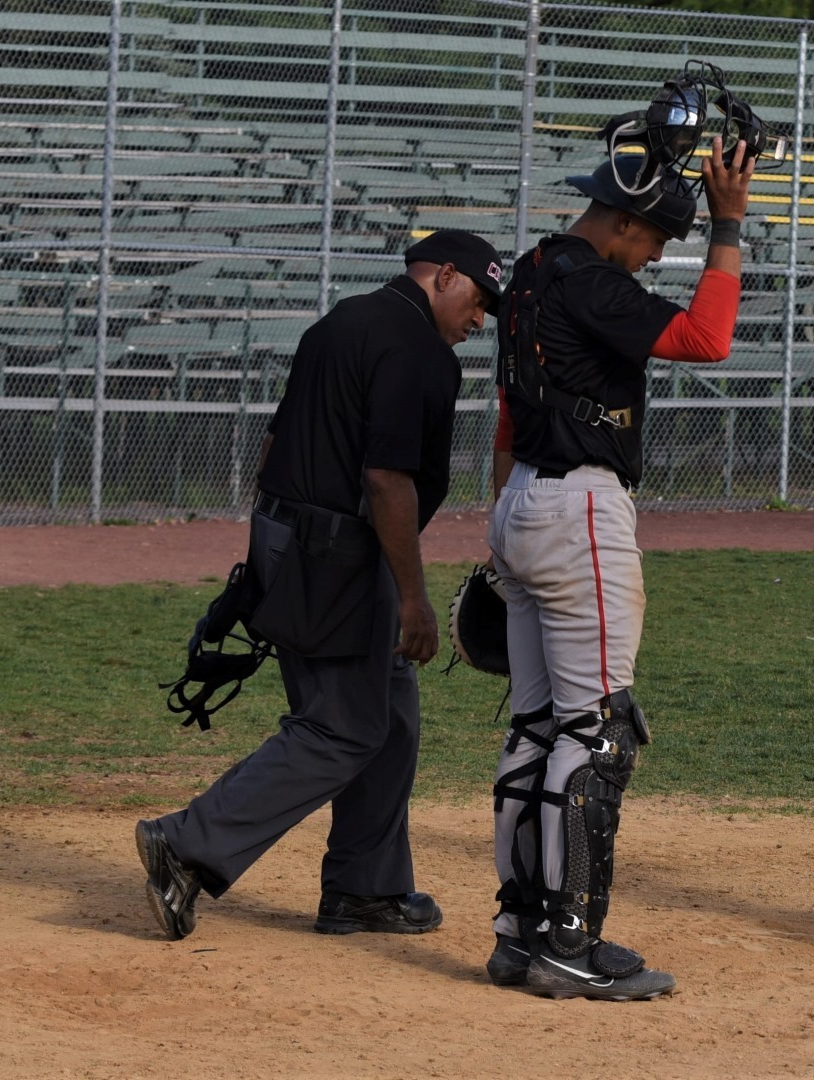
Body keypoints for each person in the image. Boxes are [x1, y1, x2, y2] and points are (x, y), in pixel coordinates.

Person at [135, 229, 503, 941]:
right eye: (479, 300)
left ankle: (367, 888)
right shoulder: (418, 349)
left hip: (291, 540)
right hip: (342, 556)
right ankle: (187, 842)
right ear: (445, 277)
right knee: (341, 726)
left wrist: (269, 559)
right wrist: (413, 598)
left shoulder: (339, 322)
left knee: (389, 716)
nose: (480, 320)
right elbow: (386, 478)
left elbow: (276, 445)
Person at [482, 137, 756, 1001]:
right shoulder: (597, 282)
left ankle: (518, 932)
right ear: (627, 222)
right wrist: (728, 224)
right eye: (656, 240)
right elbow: (709, 339)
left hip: (522, 498)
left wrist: (502, 530)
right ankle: (569, 945)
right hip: (579, 512)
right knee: (595, 733)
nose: (656, 257)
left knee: (533, 728)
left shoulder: (527, 271)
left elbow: (506, 410)